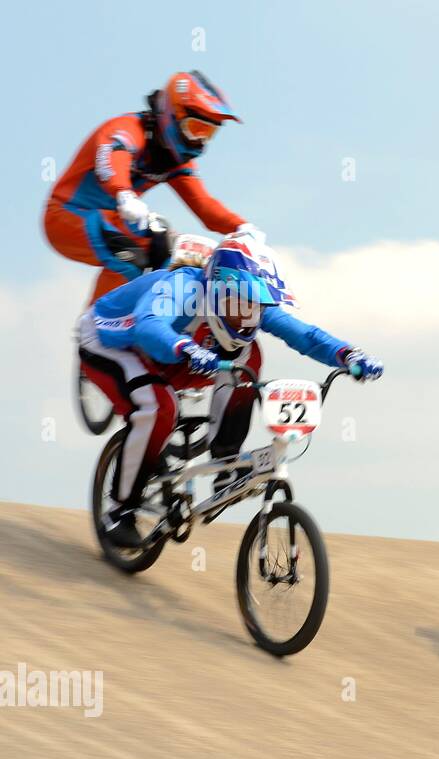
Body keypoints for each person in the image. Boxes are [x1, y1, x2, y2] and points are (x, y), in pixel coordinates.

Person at [77, 233, 383, 550]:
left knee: (248, 357)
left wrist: (347, 355)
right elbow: (148, 325)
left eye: (253, 307)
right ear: (215, 289)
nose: (245, 316)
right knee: (159, 407)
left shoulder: (249, 304)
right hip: (110, 343)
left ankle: (226, 460)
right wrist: (187, 348)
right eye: (237, 304)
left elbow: (305, 336)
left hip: (172, 352)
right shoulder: (183, 286)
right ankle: (119, 509)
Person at [45, 71, 261, 303]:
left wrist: (241, 227)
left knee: (169, 255)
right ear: (172, 115)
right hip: (66, 216)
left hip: (114, 220)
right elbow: (111, 159)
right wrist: (123, 193)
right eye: (196, 128)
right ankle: (96, 332)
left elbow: (204, 205)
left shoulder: (176, 160)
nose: (200, 142)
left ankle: (148, 323)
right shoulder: (128, 128)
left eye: (209, 133)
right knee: (130, 255)